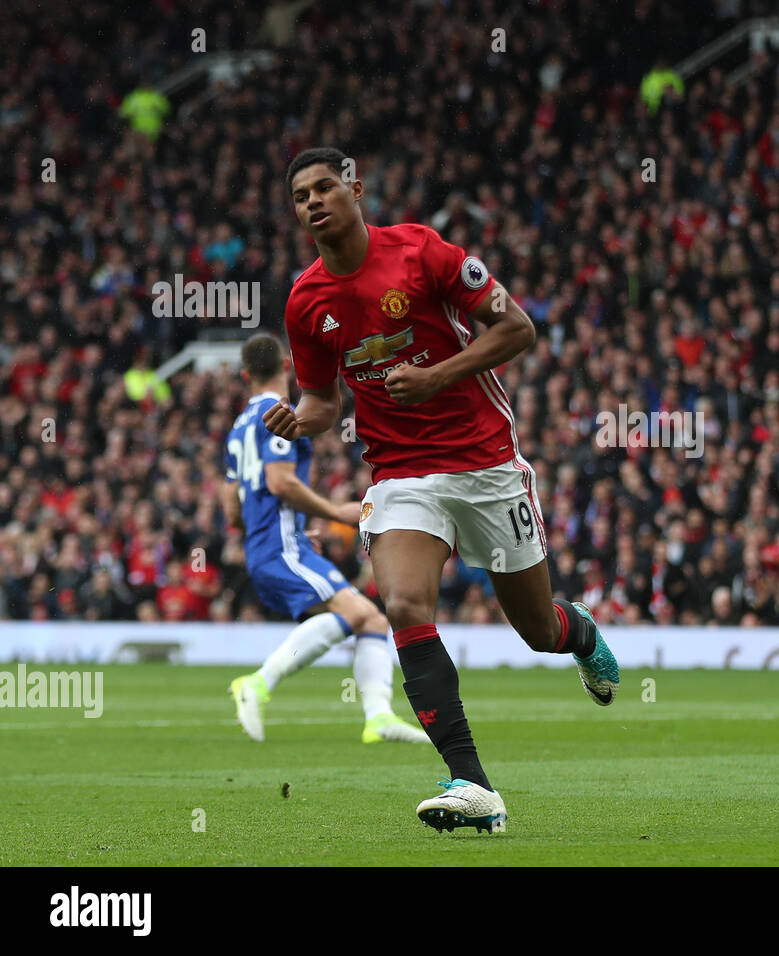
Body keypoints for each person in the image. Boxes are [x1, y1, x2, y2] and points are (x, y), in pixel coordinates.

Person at [264, 148, 619, 834]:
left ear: (356, 189)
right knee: (401, 602)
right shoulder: (307, 301)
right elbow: (319, 402)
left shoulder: (422, 253)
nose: (313, 201)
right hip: (400, 470)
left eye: (325, 187)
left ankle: (577, 630)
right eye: (300, 194)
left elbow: (518, 328)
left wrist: (436, 377)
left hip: (485, 460)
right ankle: (472, 783)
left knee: (536, 630)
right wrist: (294, 420)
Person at [224, 334, 426, 744]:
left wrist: (290, 526)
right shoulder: (277, 413)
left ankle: (379, 718)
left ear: (246, 375)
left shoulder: (238, 426)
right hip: (281, 545)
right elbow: (279, 482)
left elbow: (232, 508)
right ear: (286, 364)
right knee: (356, 613)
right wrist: (334, 514)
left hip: (268, 545)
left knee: (371, 618)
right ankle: (257, 683)